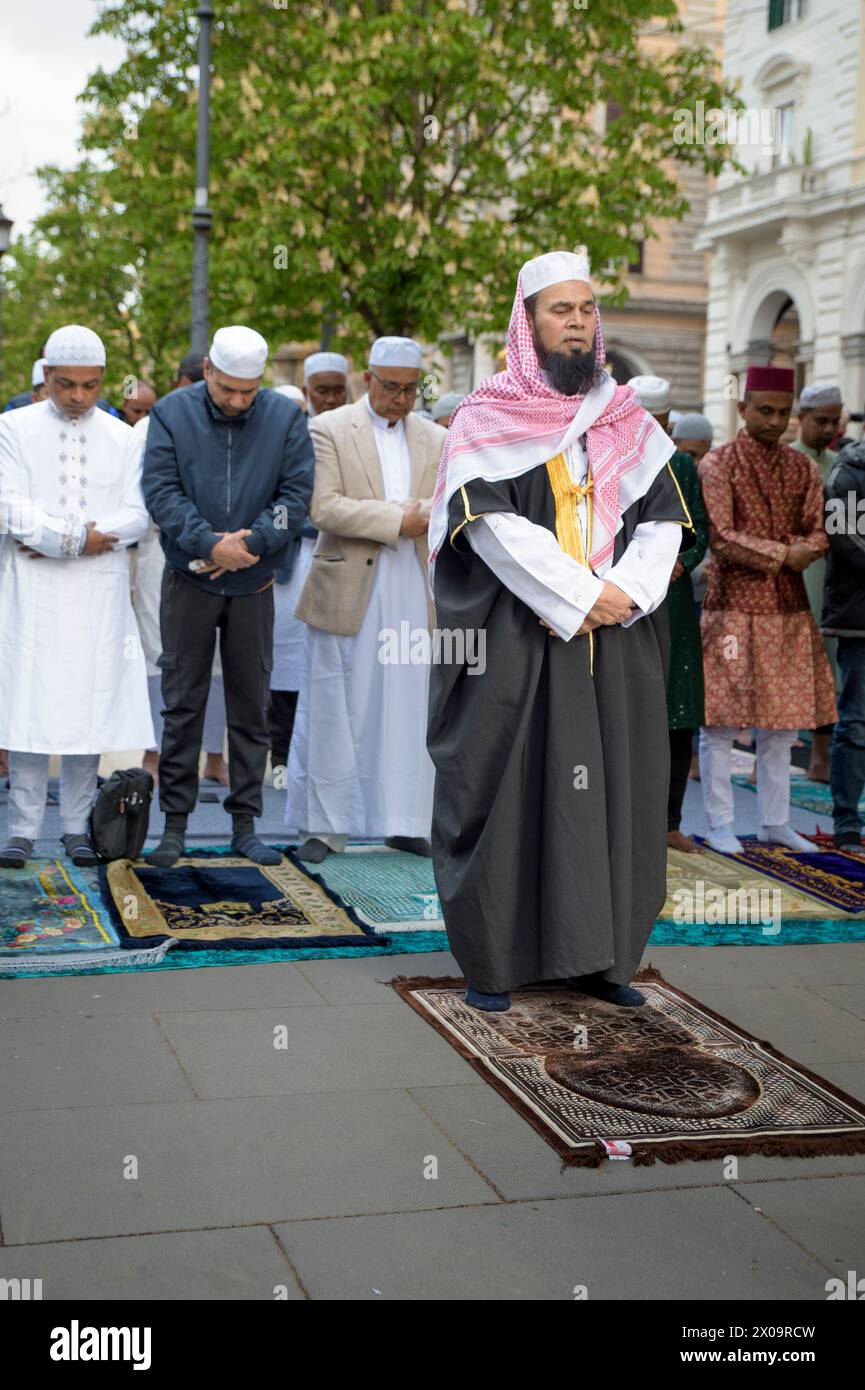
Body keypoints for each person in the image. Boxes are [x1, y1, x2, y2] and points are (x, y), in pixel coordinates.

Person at [427, 249, 690, 1011]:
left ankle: (602, 960)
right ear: (528, 323)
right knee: (508, 789)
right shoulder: (484, 418)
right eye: (557, 311)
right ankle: (494, 962)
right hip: (518, 643)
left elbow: (664, 521)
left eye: (584, 311)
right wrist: (581, 595)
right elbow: (488, 527)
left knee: (615, 792)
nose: (574, 324)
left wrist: (625, 594)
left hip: (616, 643)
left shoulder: (627, 418)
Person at [141, 325, 314, 866]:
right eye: (227, 390)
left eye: (249, 391)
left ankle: (245, 824)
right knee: (183, 703)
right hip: (188, 576)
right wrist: (208, 544)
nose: (239, 402)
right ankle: (173, 825)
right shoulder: (172, 414)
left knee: (249, 706)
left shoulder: (285, 418)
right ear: (208, 372)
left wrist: (254, 542)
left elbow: (296, 494)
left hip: (254, 580)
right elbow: (160, 491)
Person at [286, 336, 445, 862]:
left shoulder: (436, 437)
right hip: (350, 588)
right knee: (337, 706)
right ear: (368, 381)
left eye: (411, 390)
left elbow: (446, 505)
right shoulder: (328, 428)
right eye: (391, 387)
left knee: (410, 706)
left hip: (415, 590)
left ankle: (406, 821)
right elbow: (324, 508)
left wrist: (420, 515)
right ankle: (326, 828)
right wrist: (399, 518)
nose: (401, 399)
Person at [0, 324, 153, 867]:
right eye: (67, 385)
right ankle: (19, 828)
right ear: (46, 376)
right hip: (31, 594)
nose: (79, 397)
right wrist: (76, 539)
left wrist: (74, 541)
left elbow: (140, 514)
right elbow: (12, 510)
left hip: (97, 597)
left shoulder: (124, 436)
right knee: (28, 706)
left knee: (89, 710)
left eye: (90, 386)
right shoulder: (12, 428)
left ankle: (77, 827)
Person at [698, 365, 837, 854]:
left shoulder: (803, 469)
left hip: (789, 610)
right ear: (743, 408)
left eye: (784, 412)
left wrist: (806, 549)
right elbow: (721, 536)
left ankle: (774, 822)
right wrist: (785, 554)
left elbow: (820, 528)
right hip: (731, 609)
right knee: (720, 724)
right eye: (766, 411)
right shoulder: (718, 464)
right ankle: (719, 824)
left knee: (780, 726)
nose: (777, 421)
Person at [131, 354, 230, 786]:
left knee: (220, 659)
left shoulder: (234, 424)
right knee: (162, 654)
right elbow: (140, 497)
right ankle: (154, 754)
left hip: (227, 552)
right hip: (161, 551)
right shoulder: (146, 428)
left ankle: (214, 758)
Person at [629, 379, 709, 854]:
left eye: (657, 424)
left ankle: (669, 823)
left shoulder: (680, 464)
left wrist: (683, 561)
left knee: (677, 716)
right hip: (623, 602)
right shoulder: (607, 457)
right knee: (626, 710)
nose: (648, 431)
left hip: (673, 604)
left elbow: (699, 532)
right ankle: (623, 819)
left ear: (667, 422)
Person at [269, 354, 350, 776]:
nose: (332, 398)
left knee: (338, 662)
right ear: (307, 393)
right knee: (287, 660)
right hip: (293, 564)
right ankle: (282, 761)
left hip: (348, 561)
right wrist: (324, 517)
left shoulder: (357, 434)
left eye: (339, 390)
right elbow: (279, 504)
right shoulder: (290, 436)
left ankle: (330, 762)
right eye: (323, 391)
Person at [792, 383, 844, 782]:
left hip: (833, 580)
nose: (828, 428)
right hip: (793, 575)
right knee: (783, 668)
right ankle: (768, 755)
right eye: (821, 421)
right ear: (803, 418)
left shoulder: (841, 465)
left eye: (834, 421)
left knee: (828, 671)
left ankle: (820, 758)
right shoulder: (787, 459)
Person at [822, 435, 865, 854]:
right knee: (856, 723)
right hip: (859, 619)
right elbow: (846, 542)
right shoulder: (846, 476)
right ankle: (847, 824)